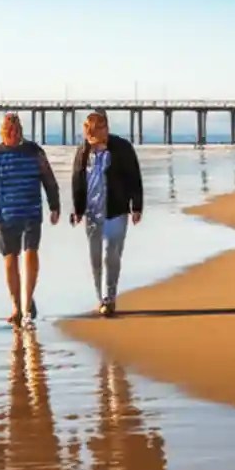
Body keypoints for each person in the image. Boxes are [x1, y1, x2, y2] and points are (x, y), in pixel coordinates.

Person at [0, 112, 61, 328]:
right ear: (3, 132)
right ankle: (17, 304)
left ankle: (25, 309)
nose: (13, 134)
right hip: (6, 215)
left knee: (31, 254)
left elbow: (48, 179)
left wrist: (55, 206)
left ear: (21, 131)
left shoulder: (34, 151)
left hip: (31, 212)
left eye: (16, 131)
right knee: (10, 259)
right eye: (9, 131)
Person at [70, 110, 143, 316]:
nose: (93, 141)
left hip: (116, 209)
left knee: (110, 254)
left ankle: (109, 298)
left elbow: (134, 177)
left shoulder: (122, 148)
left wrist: (136, 206)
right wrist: (77, 209)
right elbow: (77, 179)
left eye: (97, 134)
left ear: (106, 130)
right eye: (89, 136)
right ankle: (100, 296)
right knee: (95, 258)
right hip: (92, 212)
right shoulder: (83, 151)